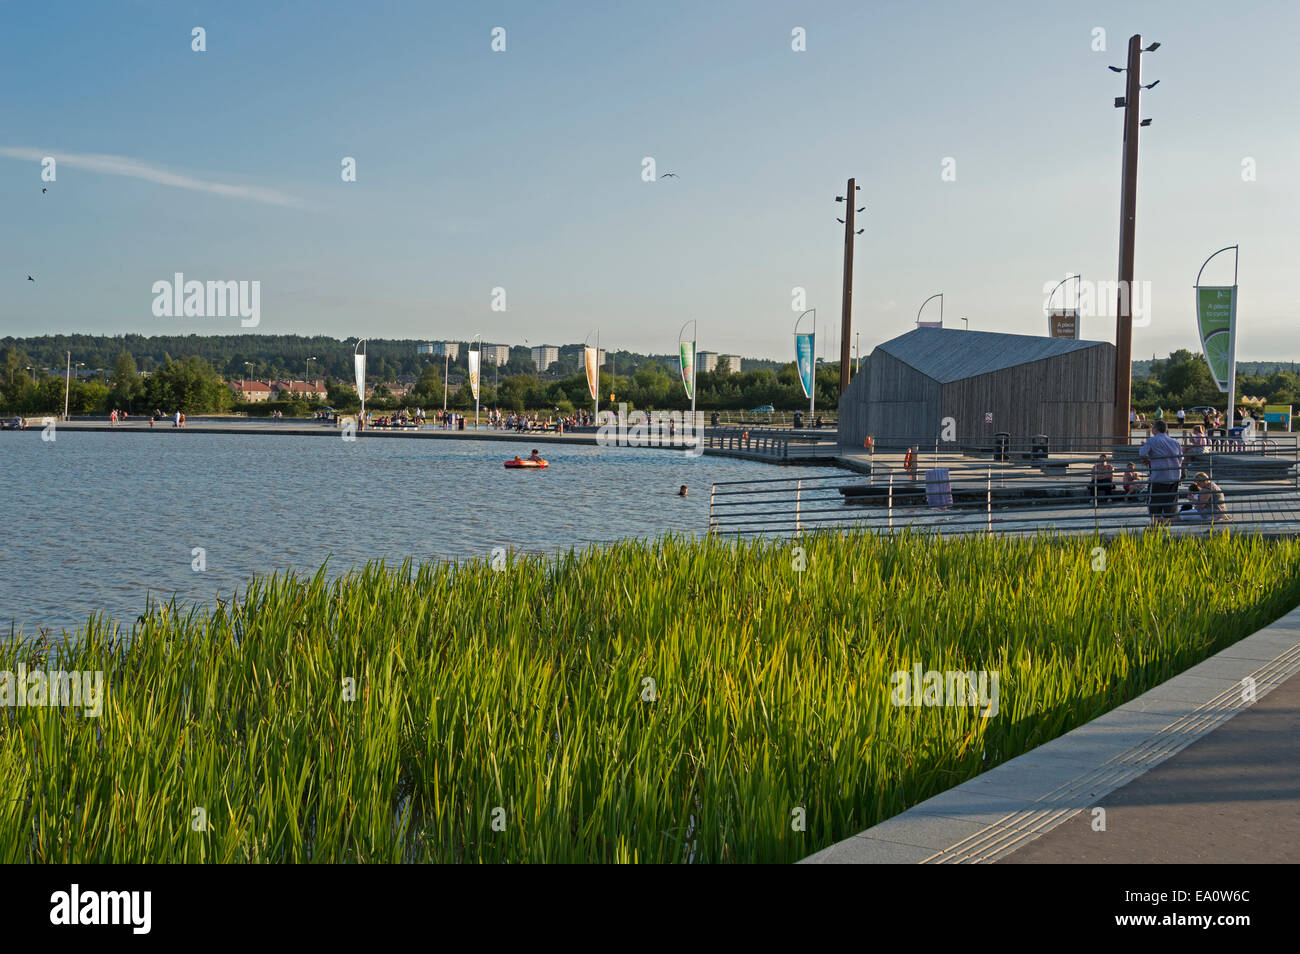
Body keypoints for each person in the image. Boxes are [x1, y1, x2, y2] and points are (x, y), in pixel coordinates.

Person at [1140, 420, 1183, 524]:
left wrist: (1146, 457)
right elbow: (1180, 459)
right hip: (1174, 477)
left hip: (1159, 477)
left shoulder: (1152, 440)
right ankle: (1168, 524)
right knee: (1171, 503)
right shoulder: (1175, 442)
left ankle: (1155, 523)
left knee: (1154, 502)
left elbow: (1142, 453)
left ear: (1155, 429)